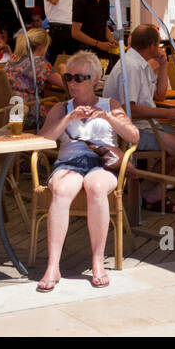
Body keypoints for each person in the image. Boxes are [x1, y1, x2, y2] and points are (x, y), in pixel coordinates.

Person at [35, 50, 140, 291]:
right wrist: (67, 118)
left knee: (96, 186)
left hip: (100, 164)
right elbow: (42, 140)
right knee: (61, 190)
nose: (72, 83)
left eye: (79, 78)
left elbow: (133, 135)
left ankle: (97, 262)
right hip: (68, 164)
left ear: (94, 80)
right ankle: (53, 266)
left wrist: (108, 117)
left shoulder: (110, 105)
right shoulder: (61, 108)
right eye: (68, 77)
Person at [103, 24, 175, 211]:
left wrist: (164, 65)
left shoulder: (140, 63)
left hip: (146, 124)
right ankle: (145, 190)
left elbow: (159, 96)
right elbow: (130, 110)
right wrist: (167, 113)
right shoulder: (131, 66)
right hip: (130, 128)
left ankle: (152, 189)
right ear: (152, 46)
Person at [7, 28, 64, 128]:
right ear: (41, 47)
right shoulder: (38, 63)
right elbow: (67, 85)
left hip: (9, 110)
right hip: (28, 113)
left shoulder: (13, 59)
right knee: (63, 112)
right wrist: (64, 69)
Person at [72, 0, 119, 72]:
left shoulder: (105, 1)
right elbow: (75, 32)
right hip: (86, 52)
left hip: (103, 50)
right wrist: (98, 44)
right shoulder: (81, 2)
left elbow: (104, 25)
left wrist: (112, 40)